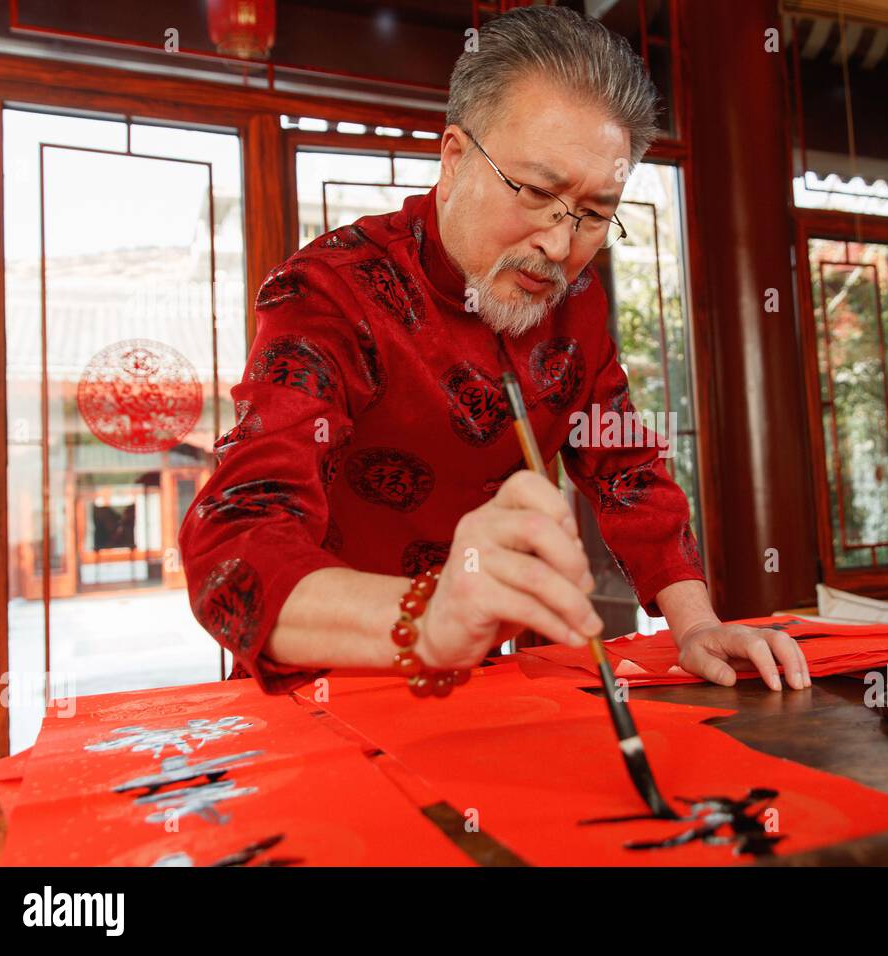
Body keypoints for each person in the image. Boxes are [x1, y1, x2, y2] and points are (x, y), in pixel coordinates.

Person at [178, 5, 811, 695]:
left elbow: (625, 466)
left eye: (595, 213)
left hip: (491, 683)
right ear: (454, 159)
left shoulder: (578, 301)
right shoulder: (333, 291)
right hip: (334, 679)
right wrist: (428, 620)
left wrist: (693, 624)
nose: (559, 245)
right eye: (538, 193)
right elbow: (236, 544)